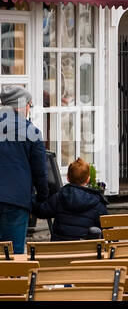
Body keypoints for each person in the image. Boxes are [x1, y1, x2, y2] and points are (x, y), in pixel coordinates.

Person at [0, 85, 48, 256]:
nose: (29, 108)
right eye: (29, 104)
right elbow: (40, 171)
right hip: (17, 201)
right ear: (20, 105)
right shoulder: (31, 132)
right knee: (14, 254)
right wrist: (42, 198)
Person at [33, 157, 107, 241]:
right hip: (86, 251)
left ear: (68, 177)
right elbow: (106, 230)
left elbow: (41, 211)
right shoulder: (97, 202)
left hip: (59, 250)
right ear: (88, 180)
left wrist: (32, 198)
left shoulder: (60, 196)